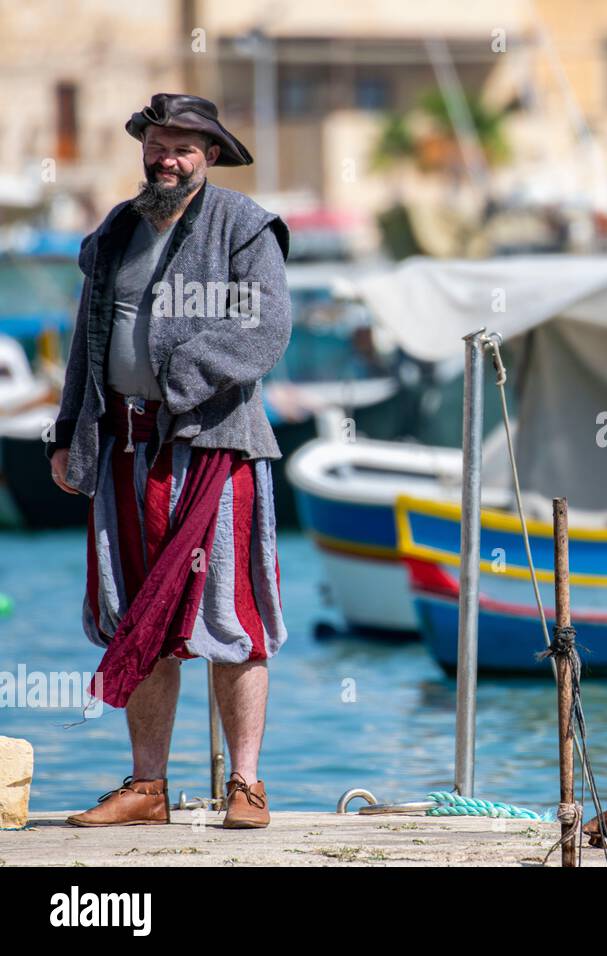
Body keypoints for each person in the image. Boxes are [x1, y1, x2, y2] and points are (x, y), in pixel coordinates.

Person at [48, 93, 291, 829]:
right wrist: (67, 431)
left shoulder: (244, 227)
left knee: (232, 614)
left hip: (214, 444)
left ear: (210, 155)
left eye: (185, 144)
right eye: (158, 141)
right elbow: (88, 342)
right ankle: (147, 788)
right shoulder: (115, 233)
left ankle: (245, 786)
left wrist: (177, 384)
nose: (168, 156)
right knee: (137, 618)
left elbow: (267, 327)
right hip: (121, 449)